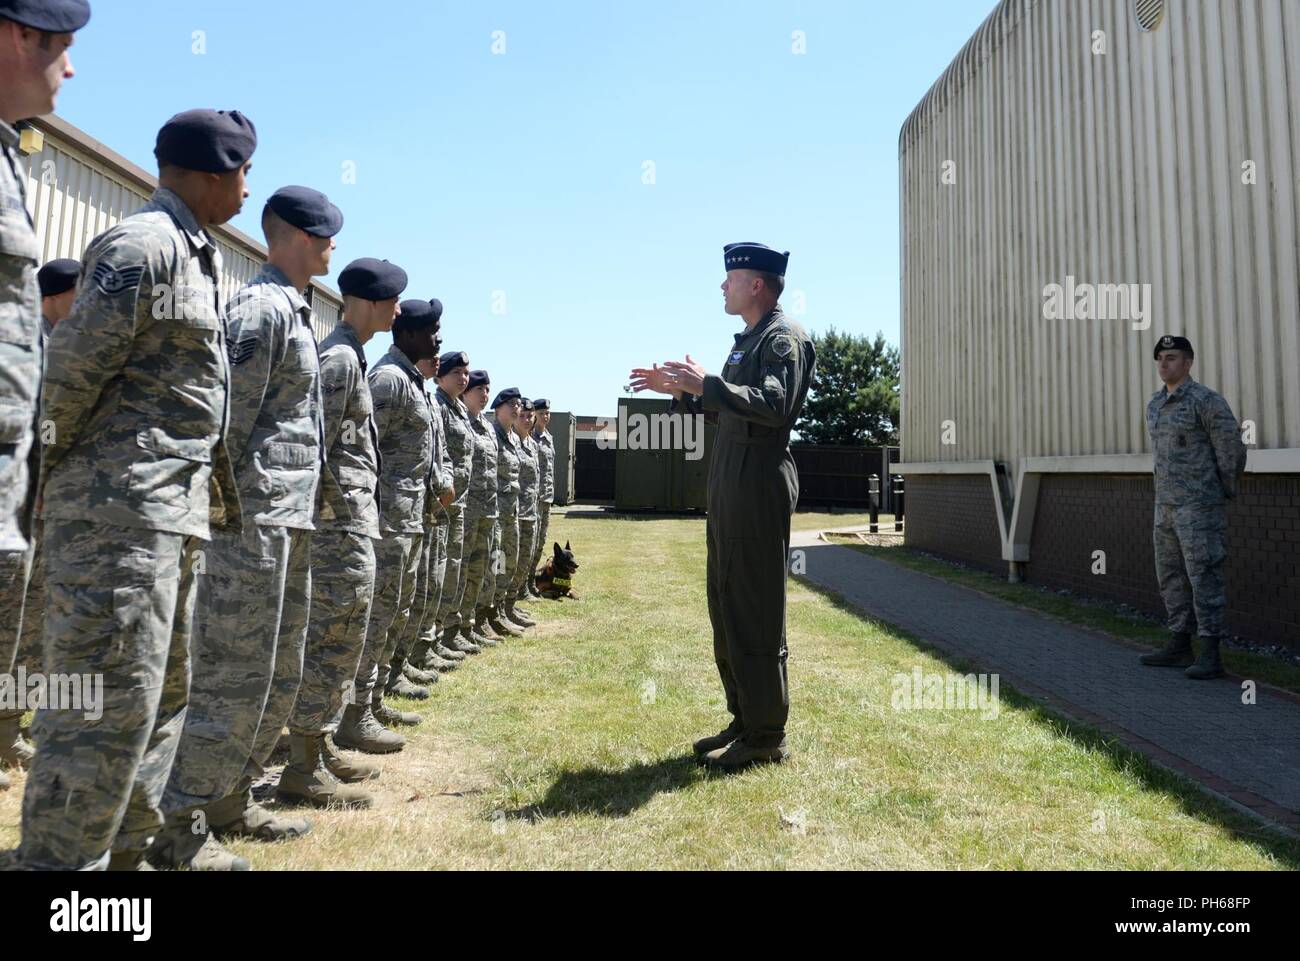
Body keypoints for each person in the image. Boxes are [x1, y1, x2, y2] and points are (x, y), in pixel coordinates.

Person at [22, 108, 255, 870]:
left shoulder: (196, 254)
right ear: (215, 173)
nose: (248, 190)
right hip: (114, 523)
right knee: (95, 714)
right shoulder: (143, 245)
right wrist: (38, 489)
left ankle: (129, 856)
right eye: (243, 173)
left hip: (168, 518)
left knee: (159, 701)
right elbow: (69, 375)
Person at [630, 242, 814, 771]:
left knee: (754, 610)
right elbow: (735, 414)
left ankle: (766, 734)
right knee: (727, 606)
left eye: (729, 278)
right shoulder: (749, 341)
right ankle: (744, 718)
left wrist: (706, 384)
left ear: (756, 284)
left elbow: (774, 407)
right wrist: (687, 393)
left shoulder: (784, 339)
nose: (722, 287)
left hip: (757, 491)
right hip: (731, 490)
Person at [0, 0, 91, 794]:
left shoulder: (9, 160)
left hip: (24, 494)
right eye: (61, 47)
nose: (72, 67)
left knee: (25, 628)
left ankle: (8, 730)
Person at [309, 259, 410, 757]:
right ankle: (311, 751)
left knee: (346, 634)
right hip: (337, 527)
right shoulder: (341, 360)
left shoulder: (353, 356)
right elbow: (315, 444)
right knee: (336, 634)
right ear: (371, 303)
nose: (397, 309)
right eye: (392, 301)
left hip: (350, 520)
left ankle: (321, 743)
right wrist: (332, 515)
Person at [1, 258, 78, 781]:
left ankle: (10, 730)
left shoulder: (63, 348)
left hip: (45, 512)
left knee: (30, 626)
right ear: (54, 297)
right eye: (80, 295)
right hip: (19, 508)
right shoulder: (26, 348)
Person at [352, 298, 445, 730]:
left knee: (396, 611)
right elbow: (364, 450)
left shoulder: (412, 380)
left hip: (409, 519)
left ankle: (374, 698)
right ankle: (354, 712)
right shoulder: (388, 380)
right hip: (386, 520)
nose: (437, 338)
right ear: (408, 334)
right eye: (431, 330)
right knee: (375, 617)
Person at [1139, 335, 1246, 680]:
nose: (1163, 364)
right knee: (1170, 575)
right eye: (1160, 359)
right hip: (1166, 506)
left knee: (1204, 575)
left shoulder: (1206, 401)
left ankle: (1211, 651)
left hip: (1200, 506)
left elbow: (1231, 449)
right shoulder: (1155, 405)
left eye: (1171, 358)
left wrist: (1223, 489)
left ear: (1188, 363)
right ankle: (1179, 643)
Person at [455, 369, 499, 651]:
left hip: (487, 510)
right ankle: (452, 630)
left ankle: (469, 625)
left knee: (479, 570)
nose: (484, 395)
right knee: (458, 572)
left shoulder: (486, 425)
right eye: (478, 390)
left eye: (487, 390)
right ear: (465, 392)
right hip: (465, 510)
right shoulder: (462, 422)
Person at [488, 388, 528, 637]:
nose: (516, 408)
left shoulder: (513, 438)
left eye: (518, 404)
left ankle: (502, 610)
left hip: (510, 512)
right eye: (510, 404)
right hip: (494, 514)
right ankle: (488, 615)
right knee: (496, 565)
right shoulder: (491, 434)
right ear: (498, 408)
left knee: (509, 563)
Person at [508, 398, 539, 624]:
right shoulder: (510, 443)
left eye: (530, 416)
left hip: (530, 511)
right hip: (514, 512)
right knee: (508, 562)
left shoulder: (532, 444)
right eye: (523, 416)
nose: (527, 420)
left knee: (524, 561)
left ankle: (511, 605)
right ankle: (501, 608)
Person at [528, 399, 556, 599]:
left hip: (546, 497)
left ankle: (530, 582)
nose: (545, 416)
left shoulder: (549, 437)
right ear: (534, 415)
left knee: (540, 542)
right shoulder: (530, 436)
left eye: (548, 412)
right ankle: (525, 583)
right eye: (542, 413)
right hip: (533, 497)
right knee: (530, 542)